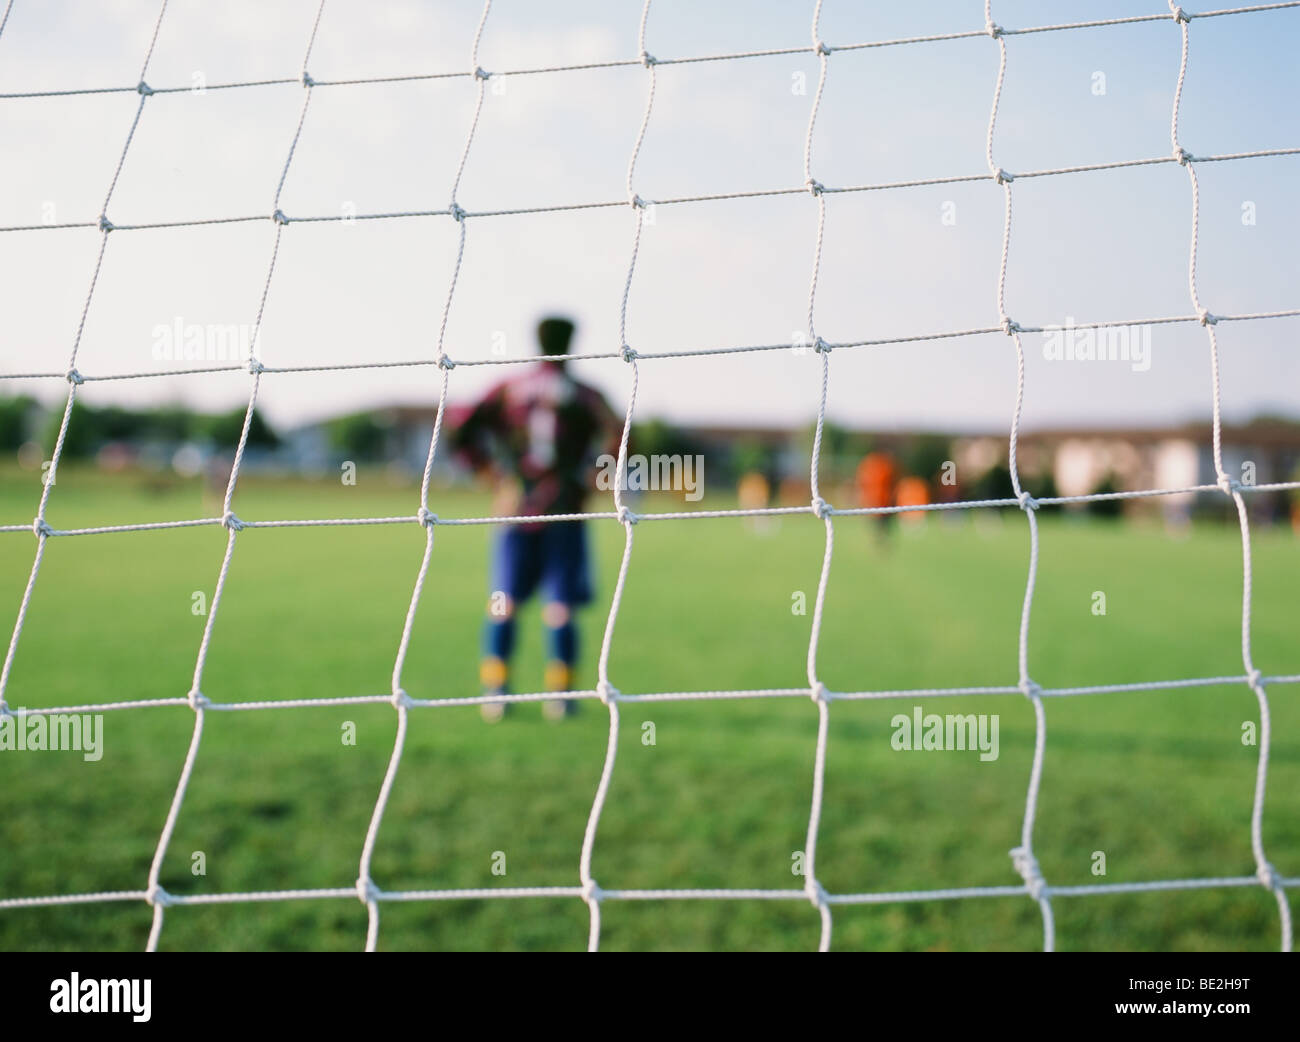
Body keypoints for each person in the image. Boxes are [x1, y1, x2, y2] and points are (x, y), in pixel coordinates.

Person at [450, 316, 623, 722]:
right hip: (565, 507)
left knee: (503, 602)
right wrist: (595, 478)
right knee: (560, 607)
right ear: (573, 342)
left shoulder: (510, 389)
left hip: (516, 507)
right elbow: (623, 434)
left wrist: (492, 474)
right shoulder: (586, 395)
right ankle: (560, 697)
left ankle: (496, 691)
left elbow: (460, 425)